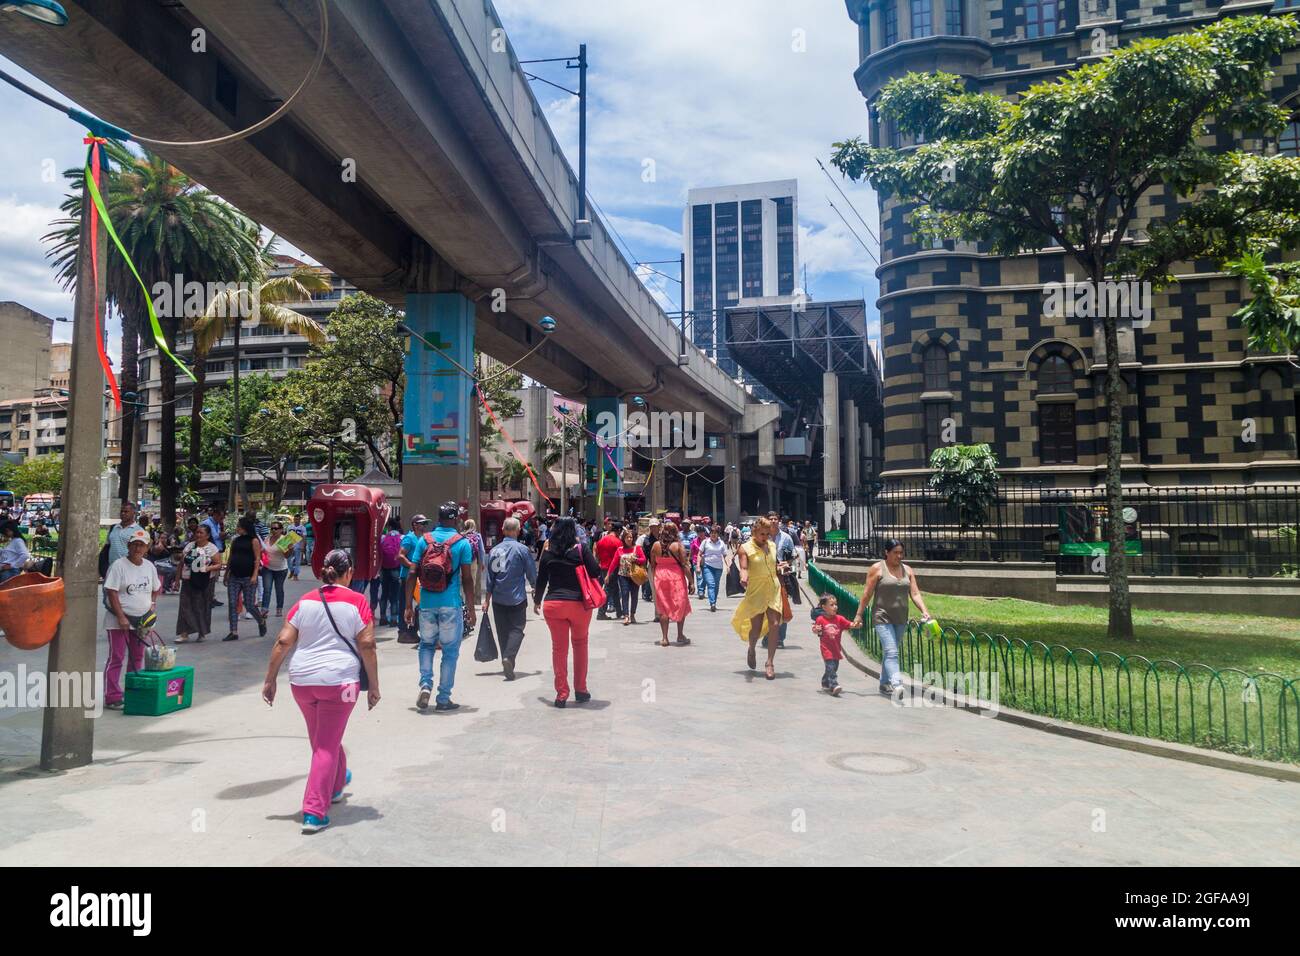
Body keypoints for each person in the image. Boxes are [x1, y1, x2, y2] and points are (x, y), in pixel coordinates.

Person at [262, 548, 380, 835]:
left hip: (302, 682)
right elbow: (367, 645)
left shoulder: (305, 601)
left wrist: (271, 679)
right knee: (326, 745)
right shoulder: (357, 602)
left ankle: (337, 783)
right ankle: (314, 811)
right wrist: (374, 686)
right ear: (349, 573)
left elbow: (282, 641)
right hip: (340, 683)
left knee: (322, 738)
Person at [404, 502, 476, 711]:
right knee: (450, 651)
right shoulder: (462, 543)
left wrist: (409, 605)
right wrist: (471, 608)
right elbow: (468, 579)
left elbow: (411, 573)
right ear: (455, 519)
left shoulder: (424, 540)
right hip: (451, 604)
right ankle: (443, 698)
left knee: (426, 645)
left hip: (426, 603)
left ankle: (426, 684)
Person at [533, 517, 602, 708]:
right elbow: (596, 571)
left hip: (553, 604)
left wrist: (537, 601)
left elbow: (541, 580)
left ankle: (561, 694)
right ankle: (581, 690)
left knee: (559, 649)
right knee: (580, 645)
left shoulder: (548, 552)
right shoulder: (580, 550)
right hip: (579, 604)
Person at [859, 538, 933, 697]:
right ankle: (897, 684)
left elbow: (915, 593)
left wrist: (924, 611)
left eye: (901, 553)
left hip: (900, 617)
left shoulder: (908, 570)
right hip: (882, 617)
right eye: (895, 553)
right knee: (892, 652)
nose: (899, 556)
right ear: (886, 553)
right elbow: (867, 594)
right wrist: (859, 614)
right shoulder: (877, 569)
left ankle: (884, 683)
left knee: (890, 652)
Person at [102, 528, 161, 710]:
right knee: (117, 657)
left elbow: (156, 588)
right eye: (135, 544)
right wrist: (121, 617)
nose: (138, 548)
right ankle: (112, 696)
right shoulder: (119, 566)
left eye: (141, 545)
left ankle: (132, 691)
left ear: (147, 547)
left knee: (137, 658)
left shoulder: (149, 566)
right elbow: (111, 591)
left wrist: (151, 605)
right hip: (118, 620)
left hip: (142, 621)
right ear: (128, 546)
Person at [483, 516, 537, 681]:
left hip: (498, 598)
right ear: (518, 530)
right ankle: (509, 657)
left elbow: (489, 578)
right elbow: (531, 572)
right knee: (517, 629)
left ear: (503, 530)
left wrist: (487, 599)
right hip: (517, 598)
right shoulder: (522, 550)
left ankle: (506, 659)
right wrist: (536, 588)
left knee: (502, 632)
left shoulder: (494, 550)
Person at [732, 516, 784, 681]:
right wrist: (743, 577)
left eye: (768, 534)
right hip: (756, 590)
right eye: (762, 534)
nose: (765, 537)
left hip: (773, 588)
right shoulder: (745, 548)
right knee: (756, 627)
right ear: (754, 532)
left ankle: (770, 663)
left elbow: (773, 565)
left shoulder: (772, 545)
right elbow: (744, 567)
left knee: (775, 625)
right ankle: (752, 648)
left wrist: (782, 567)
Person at [222, 514, 268, 641]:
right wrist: (226, 573)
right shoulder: (236, 540)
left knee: (249, 605)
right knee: (232, 603)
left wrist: (254, 575)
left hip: (248, 577)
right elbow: (231, 557)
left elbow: (257, 559)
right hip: (234, 576)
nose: (237, 528)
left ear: (245, 528)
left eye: (239, 526)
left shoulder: (254, 541)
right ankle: (233, 631)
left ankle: (261, 621)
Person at [649, 521, 693, 647]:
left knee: (663, 607)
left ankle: (664, 638)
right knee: (680, 604)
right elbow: (684, 565)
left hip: (660, 577)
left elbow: (652, 565)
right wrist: (691, 581)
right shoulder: (678, 546)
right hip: (676, 577)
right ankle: (680, 635)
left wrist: (657, 575)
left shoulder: (655, 545)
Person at [175, 523, 221, 643]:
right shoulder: (190, 546)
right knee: (184, 606)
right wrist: (177, 580)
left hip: (204, 581)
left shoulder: (211, 548)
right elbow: (181, 563)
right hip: (187, 580)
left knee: (201, 606)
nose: (198, 535)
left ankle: (202, 632)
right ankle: (184, 633)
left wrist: (208, 568)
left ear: (208, 535)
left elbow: (219, 564)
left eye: (201, 533)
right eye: (197, 532)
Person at [810, 594, 863, 697]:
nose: (835, 607)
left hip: (836, 649)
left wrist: (856, 625)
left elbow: (849, 624)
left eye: (836, 604)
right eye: (832, 605)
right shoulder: (820, 619)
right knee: (830, 667)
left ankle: (825, 681)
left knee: (834, 668)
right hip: (826, 649)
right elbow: (816, 629)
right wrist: (816, 630)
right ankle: (834, 685)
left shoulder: (839, 619)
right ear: (824, 607)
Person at [397, 513, 428, 644]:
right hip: (407, 577)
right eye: (422, 523)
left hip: (416, 578)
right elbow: (400, 556)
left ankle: (412, 630)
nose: (425, 526)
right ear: (415, 525)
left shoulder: (420, 538)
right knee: (405, 604)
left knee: (418, 605)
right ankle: (403, 632)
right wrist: (412, 566)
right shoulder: (409, 538)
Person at [612, 527, 646, 625]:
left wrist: (636, 560)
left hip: (635, 575)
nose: (629, 539)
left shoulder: (637, 548)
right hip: (623, 576)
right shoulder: (619, 549)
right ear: (624, 538)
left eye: (631, 537)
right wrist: (608, 575)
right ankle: (626, 615)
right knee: (624, 594)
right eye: (627, 537)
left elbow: (643, 559)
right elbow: (614, 563)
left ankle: (632, 614)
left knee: (634, 596)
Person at [593, 518, 622, 621]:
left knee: (614, 589)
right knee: (608, 590)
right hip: (612, 569)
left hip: (603, 567)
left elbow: (597, 553)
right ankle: (601, 613)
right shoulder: (618, 542)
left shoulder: (601, 541)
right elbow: (620, 557)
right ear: (618, 531)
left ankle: (619, 611)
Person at [261, 520, 291, 617]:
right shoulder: (267, 538)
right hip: (267, 568)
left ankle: (279, 609)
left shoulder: (285, 539)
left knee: (279, 589)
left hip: (281, 569)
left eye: (276, 528)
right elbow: (263, 550)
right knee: (267, 589)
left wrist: (290, 549)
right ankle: (264, 609)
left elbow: (287, 556)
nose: (273, 530)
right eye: (272, 528)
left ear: (281, 530)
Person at [377, 517, 404, 628]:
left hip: (384, 569)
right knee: (395, 595)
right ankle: (393, 619)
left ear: (389, 527)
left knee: (384, 593)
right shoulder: (402, 538)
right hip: (396, 569)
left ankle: (382, 618)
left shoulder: (383, 538)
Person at [697, 523, 728, 612]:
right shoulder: (705, 542)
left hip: (718, 567)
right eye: (711, 532)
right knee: (711, 584)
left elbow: (725, 555)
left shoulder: (721, 543)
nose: (713, 534)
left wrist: (728, 565)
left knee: (716, 586)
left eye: (715, 533)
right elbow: (699, 554)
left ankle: (714, 601)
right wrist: (698, 566)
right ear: (709, 533)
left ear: (718, 534)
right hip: (707, 566)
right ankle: (712, 603)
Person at [288, 514, 307, 580]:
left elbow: (304, 537)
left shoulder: (302, 527)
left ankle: (296, 575)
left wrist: (303, 546)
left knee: (297, 561)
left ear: (299, 520)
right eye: (295, 519)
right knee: (288, 560)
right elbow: (287, 537)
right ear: (293, 519)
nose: (296, 520)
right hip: (290, 545)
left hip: (298, 546)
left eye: (297, 519)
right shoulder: (289, 527)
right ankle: (292, 570)